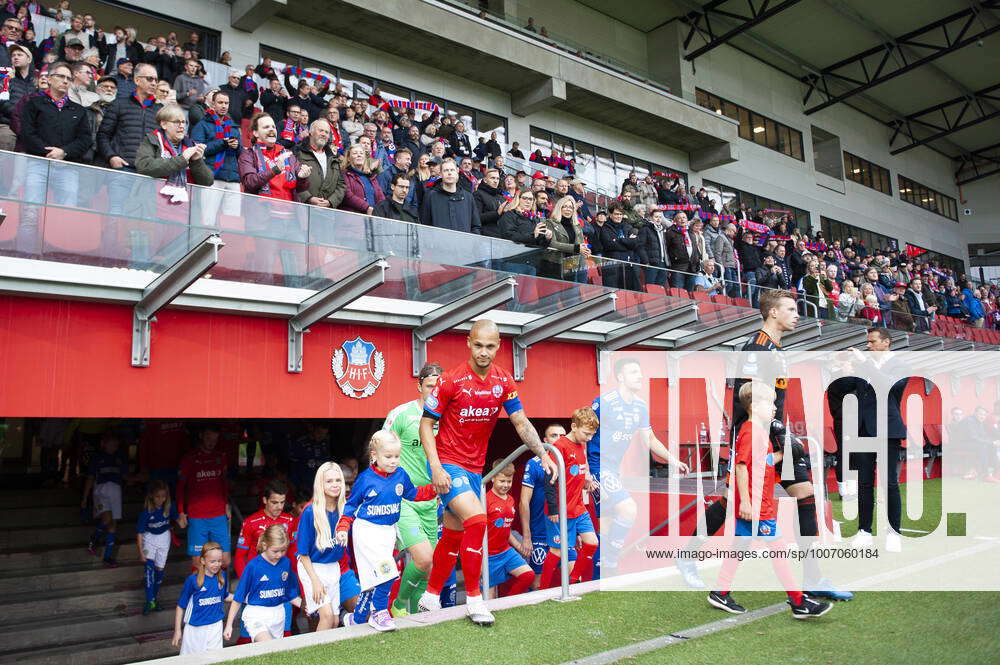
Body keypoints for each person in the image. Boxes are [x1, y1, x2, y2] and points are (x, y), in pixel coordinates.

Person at [676, 289, 852, 601]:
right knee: (733, 500)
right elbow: (747, 401)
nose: (797, 314)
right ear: (772, 312)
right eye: (790, 309)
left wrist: (782, 432)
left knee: (805, 493)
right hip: (753, 436)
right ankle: (688, 555)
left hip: (773, 434)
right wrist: (767, 434)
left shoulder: (777, 349)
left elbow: (774, 400)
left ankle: (813, 577)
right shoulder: (756, 349)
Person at [417, 319, 558, 626]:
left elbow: (520, 422)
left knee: (454, 533)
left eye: (490, 346)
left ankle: (429, 595)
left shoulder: (504, 381)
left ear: (498, 346)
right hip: (447, 464)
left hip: (473, 466)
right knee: (478, 519)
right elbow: (425, 424)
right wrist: (436, 466)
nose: (484, 352)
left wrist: (542, 453)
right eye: (478, 345)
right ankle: (475, 600)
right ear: (468, 342)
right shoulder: (450, 380)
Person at [707, 381, 832, 619]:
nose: (775, 408)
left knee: (740, 546)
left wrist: (782, 453)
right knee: (779, 549)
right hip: (755, 505)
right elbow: (742, 467)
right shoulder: (751, 432)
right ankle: (798, 602)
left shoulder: (758, 431)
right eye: (770, 403)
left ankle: (720, 592)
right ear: (754, 405)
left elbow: (760, 462)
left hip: (757, 501)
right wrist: (745, 502)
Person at [589, 358, 689, 577]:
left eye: (640, 372)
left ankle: (598, 576)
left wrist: (673, 460)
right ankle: (611, 563)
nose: (639, 376)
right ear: (620, 377)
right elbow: (583, 434)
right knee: (628, 509)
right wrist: (586, 471)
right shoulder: (604, 402)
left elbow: (650, 439)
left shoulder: (640, 405)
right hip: (597, 466)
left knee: (605, 522)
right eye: (634, 372)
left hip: (613, 469)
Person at [336, 430, 436, 632]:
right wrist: (342, 526)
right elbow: (351, 505)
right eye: (388, 457)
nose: (393, 461)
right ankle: (379, 613)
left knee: (374, 580)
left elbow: (413, 493)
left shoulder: (400, 475)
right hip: (368, 532)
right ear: (374, 455)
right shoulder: (365, 479)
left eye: (397, 456)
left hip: (388, 531)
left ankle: (357, 618)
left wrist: (435, 488)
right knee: (388, 573)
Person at [830, 328, 908, 553]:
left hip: (887, 431)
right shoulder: (865, 366)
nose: (869, 346)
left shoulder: (900, 366)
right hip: (863, 430)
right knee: (864, 483)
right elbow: (844, 389)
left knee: (889, 483)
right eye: (868, 342)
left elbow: (888, 386)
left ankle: (894, 532)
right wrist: (841, 368)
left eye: (873, 342)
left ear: (886, 343)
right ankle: (864, 531)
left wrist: (864, 363)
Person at [384, 363, 443, 616]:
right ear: (419, 386)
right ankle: (398, 605)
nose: (433, 392)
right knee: (423, 558)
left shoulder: (447, 416)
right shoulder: (401, 414)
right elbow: (379, 450)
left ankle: (421, 616)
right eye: (429, 386)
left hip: (432, 500)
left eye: (437, 387)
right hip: (404, 499)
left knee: (429, 566)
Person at [15, 60, 90, 255]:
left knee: (66, 215)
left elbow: (85, 140)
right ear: (49, 79)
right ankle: (24, 257)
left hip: (68, 168)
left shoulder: (79, 110)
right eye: (61, 77)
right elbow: (26, 133)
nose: (65, 81)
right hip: (37, 163)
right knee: (31, 212)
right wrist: (47, 152)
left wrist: (63, 152)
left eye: (68, 78)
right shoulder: (34, 103)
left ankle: (58, 256)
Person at [538, 407, 599, 589]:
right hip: (561, 509)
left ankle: (573, 581)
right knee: (557, 551)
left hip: (578, 507)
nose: (589, 438)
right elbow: (549, 479)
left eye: (592, 435)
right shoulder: (559, 447)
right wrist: (554, 508)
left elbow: (579, 473)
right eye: (587, 434)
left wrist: (587, 481)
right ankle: (542, 590)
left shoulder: (583, 445)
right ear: (574, 426)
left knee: (592, 543)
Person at [225, 525, 301, 643]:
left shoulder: (286, 563)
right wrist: (229, 624)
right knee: (267, 644)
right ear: (265, 545)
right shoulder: (253, 566)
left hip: (278, 613)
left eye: (283, 550)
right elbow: (238, 598)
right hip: (256, 614)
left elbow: (291, 595)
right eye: (275, 551)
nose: (279, 555)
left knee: (274, 654)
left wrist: (309, 608)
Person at [297, 462, 349, 631]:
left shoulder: (345, 509)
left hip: (333, 567)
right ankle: (315, 654)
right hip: (312, 567)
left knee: (334, 621)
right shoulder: (310, 512)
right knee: (325, 616)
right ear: (320, 484)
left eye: (338, 480)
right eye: (329, 481)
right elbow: (303, 553)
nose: (335, 484)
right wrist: (315, 582)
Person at [135, 103, 214, 203]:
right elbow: (144, 167)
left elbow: (207, 182)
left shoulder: (191, 145)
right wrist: (182, 159)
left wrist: (196, 161)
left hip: (186, 210)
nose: (182, 126)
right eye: (176, 122)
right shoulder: (152, 140)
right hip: (154, 206)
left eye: (184, 122)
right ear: (163, 124)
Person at [177, 424, 231, 571]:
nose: (211, 442)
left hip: (218, 515)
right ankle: (201, 593)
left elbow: (224, 483)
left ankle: (220, 592)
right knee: (197, 561)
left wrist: (226, 504)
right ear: (201, 435)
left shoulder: (220, 457)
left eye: (214, 438)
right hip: (197, 516)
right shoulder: (190, 459)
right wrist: (181, 511)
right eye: (208, 437)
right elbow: (181, 487)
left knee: (224, 560)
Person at [521, 424, 568, 588]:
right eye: (554, 435)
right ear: (545, 440)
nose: (558, 439)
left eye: (562, 436)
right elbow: (524, 502)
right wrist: (527, 536)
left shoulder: (568, 461)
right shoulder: (534, 463)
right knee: (538, 582)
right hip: (540, 532)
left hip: (563, 528)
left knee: (571, 571)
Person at [483, 461, 534, 598]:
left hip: (505, 551)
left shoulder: (510, 500)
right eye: (502, 481)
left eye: (509, 481)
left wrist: (518, 545)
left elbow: (507, 528)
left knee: (528, 575)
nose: (506, 485)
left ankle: (507, 603)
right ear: (492, 478)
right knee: (489, 598)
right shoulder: (485, 500)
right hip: (489, 556)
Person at [191, 90, 242, 223]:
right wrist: (223, 143)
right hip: (211, 177)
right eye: (220, 102)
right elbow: (198, 150)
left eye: (226, 103)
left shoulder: (233, 127)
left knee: (232, 222)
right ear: (213, 104)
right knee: (208, 219)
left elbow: (240, 153)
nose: (224, 106)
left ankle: (230, 244)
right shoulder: (202, 125)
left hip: (233, 178)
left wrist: (237, 146)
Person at [137, 481, 184, 615]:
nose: (160, 499)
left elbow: (181, 524)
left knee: (159, 573)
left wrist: (183, 517)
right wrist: (140, 551)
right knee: (149, 571)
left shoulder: (170, 508)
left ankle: (154, 600)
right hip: (149, 539)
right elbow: (139, 533)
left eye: (163, 496)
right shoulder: (146, 512)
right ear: (152, 496)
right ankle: (150, 601)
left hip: (164, 538)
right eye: (157, 496)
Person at [173, 542, 230, 654]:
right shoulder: (192, 580)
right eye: (212, 561)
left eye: (219, 561)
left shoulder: (222, 576)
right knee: (191, 661)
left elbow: (225, 597)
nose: (217, 564)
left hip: (216, 626)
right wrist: (177, 630)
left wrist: (244, 598)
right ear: (203, 561)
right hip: (195, 628)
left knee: (214, 659)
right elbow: (180, 606)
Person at [83, 434, 129, 567]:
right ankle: (94, 538)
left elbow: (126, 476)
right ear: (104, 443)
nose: (114, 446)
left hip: (116, 490)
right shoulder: (97, 457)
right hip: (101, 489)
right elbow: (90, 477)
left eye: (116, 444)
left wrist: (139, 478)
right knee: (107, 519)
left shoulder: (120, 457)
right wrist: (85, 498)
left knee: (113, 524)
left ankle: (107, 556)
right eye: (111, 443)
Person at [234, 481, 294, 578]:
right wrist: (246, 582)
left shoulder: (290, 520)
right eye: (274, 502)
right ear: (265, 500)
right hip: (257, 575)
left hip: (281, 575)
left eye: (282, 502)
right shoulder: (251, 522)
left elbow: (292, 552)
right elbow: (239, 557)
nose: (279, 507)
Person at [420, 158, 481, 233]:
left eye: (452, 170)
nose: (449, 173)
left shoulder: (468, 197)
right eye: (446, 170)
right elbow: (425, 225)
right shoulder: (430, 196)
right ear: (440, 174)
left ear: (457, 171)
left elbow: (475, 226)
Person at [296, 119, 346, 211]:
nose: (324, 134)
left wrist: (331, 202)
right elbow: (292, 180)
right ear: (310, 132)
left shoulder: (334, 158)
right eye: (321, 130)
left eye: (327, 132)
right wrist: (308, 198)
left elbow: (341, 185)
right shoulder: (298, 153)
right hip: (303, 210)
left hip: (327, 213)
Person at [542, 195, 589, 282]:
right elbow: (553, 243)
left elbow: (581, 244)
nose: (568, 209)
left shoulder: (577, 226)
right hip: (554, 265)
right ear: (559, 208)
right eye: (565, 207)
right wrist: (576, 248)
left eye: (571, 207)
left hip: (572, 266)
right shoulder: (550, 223)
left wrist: (585, 250)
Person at [339, 143, 384, 214]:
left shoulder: (371, 176)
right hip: (353, 219)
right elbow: (347, 195)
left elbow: (380, 197)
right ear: (348, 158)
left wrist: (381, 210)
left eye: (361, 153)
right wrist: (367, 208)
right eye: (355, 153)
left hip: (372, 218)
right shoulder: (344, 174)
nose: (359, 155)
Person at [665, 212, 700, 291]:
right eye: (679, 218)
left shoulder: (691, 232)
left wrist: (697, 261)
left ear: (687, 220)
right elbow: (666, 248)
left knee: (689, 292)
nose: (682, 219)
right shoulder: (670, 232)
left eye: (684, 217)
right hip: (678, 267)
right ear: (675, 221)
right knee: (678, 292)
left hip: (692, 267)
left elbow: (695, 248)